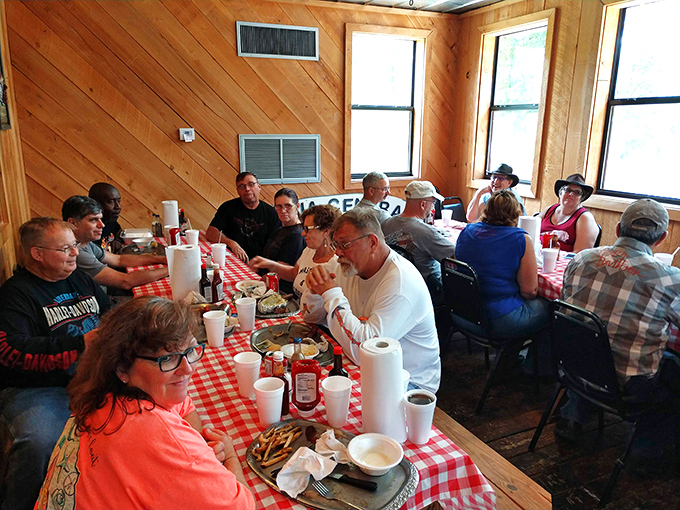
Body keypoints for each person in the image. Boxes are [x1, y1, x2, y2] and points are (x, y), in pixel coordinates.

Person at [35, 296, 255, 510]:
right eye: (167, 359)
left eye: (189, 351)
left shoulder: (105, 392)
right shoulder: (151, 433)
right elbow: (242, 506)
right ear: (122, 368)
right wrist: (230, 458)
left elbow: (183, 404)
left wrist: (199, 452)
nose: (187, 369)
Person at [0, 218, 111, 510]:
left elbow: (108, 313)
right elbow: (10, 350)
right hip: (39, 388)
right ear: (37, 254)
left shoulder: (79, 278)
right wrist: (80, 344)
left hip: (94, 374)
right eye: (65, 248)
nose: (75, 253)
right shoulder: (16, 293)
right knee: (40, 443)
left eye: (74, 245)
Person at [557, 199, 680, 451]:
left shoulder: (580, 259)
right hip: (628, 386)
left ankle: (573, 415)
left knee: (593, 337)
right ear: (662, 238)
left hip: (573, 368)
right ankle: (646, 455)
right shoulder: (670, 279)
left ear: (617, 230)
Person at [301, 208, 440, 393]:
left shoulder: (400, 284)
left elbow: (365, 351)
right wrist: (314, 289)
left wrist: (331, 293)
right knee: (304, 385)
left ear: (372, 242)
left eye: (344, 244)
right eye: (336, 245)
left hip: (408, 383)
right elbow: (310, 317)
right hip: (368, 367)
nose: (337, 253)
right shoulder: (346, 265)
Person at [455, 190, 549, 338]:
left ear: (487, 210)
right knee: (551, 309)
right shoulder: (520, 238)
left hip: (464, 313)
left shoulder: (467, 231)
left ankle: (511, 355)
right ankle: (523, 360)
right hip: (498, 319)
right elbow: (529, 291)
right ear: (516, 214)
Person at [382, 181, 456, 347]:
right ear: (423, 204)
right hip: (429, 288)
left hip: (397, 284)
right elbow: (455, 254)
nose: (433, 207)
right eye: (433, 203)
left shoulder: (386, 224)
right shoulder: (424, 232)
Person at [62, 196, 168, 292]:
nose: (102, 225)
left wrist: (161, 259)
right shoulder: (76, 252)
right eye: (94, 220)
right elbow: (125, 282)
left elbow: (119, 260)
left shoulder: (84, 243)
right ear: (72, 223)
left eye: (100, 219)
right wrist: (172, 269)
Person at [250, 204, 341, 299]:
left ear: (325, 231)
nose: (302, 233)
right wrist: (270, 265)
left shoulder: (336, 265)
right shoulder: (309, 251)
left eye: (307, 229)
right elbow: (294, 273)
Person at [206, 172, 281, 263]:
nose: (247, 189)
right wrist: (231, 243)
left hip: (261, 263)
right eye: (242, 186)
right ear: (238, 190)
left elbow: (276, 244)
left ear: (259, 187)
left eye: (251, 184)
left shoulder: (271, 213)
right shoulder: (228, 207)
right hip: (232, 260)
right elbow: (211, 232)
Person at [248, 188, 305, 294]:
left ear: (297, 206)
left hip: (280, 290)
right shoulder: (279, 229)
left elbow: (279, 273)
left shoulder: (297, 235)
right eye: (279, 206)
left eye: (288, 206)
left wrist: (252, 283)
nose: (283, 210)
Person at [538, 173, 599, 252]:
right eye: (568, 190)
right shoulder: (549, 210)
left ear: (581, 198)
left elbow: (579, 255)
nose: (571, 194)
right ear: (560, 192)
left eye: (577, 192)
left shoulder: (585, 218)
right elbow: (530, 232)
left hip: (564, 262)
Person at [88, 182, 122, 251]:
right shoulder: (88, 231)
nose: (118, 206)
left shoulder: (111, 222)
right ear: (95, 203)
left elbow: (119, 234)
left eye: (119, 201)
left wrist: (117, 241)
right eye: (111, 202)